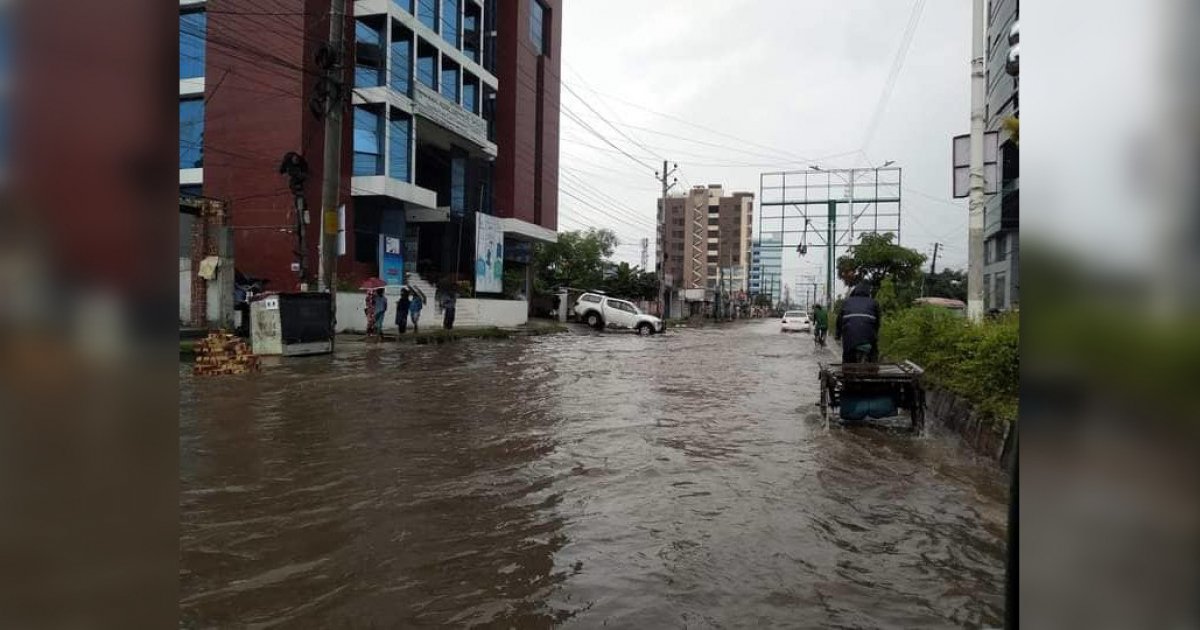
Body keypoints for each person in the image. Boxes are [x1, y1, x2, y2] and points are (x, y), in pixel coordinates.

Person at [834, 282, 881, 363]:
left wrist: (837, 335)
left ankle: (847, 372)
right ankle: (873, 370)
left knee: (847, 363)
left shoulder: (847, 302)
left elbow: (839, 321)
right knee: (873, 358)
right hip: (868, 340)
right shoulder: (874, 303)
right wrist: (875, 335)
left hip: (849, 342)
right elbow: (877, 323)